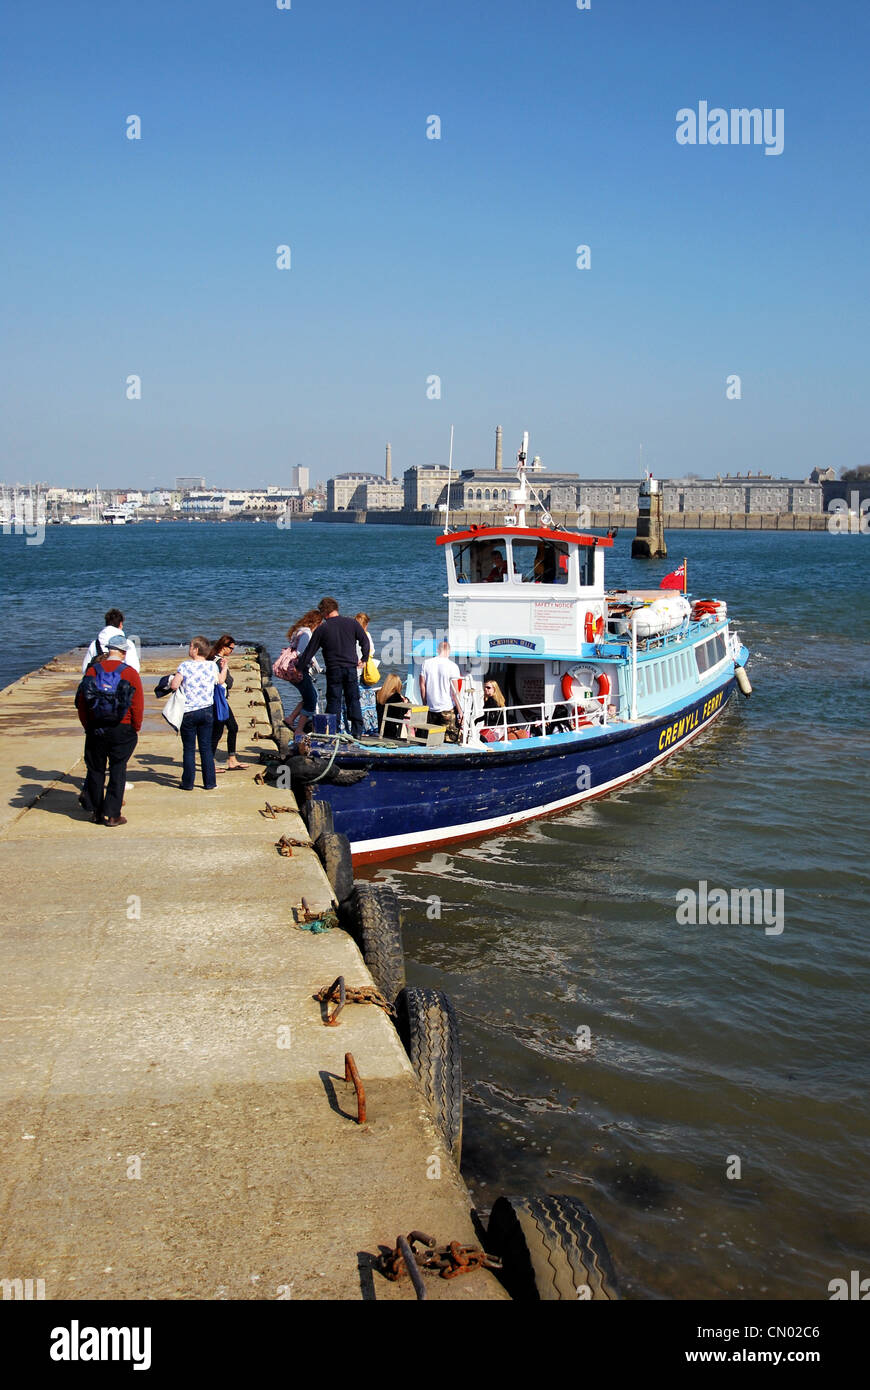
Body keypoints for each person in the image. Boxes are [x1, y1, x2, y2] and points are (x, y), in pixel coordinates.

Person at [76, 631, 144, 825]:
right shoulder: (129, 672)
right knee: (117, 768)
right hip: (122, 727)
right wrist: (135, 726)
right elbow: (137, 704)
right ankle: (112, 814)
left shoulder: (93, 670)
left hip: (96, 726)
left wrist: (87, 725)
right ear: (123, 652)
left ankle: (96, 812)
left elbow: (82, 702)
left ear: (109, 650)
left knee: (96, 769)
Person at [296, 598, 369, 739]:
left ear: (325, 612)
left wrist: (299, 667)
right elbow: (364, 641)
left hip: (334, 669)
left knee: (334, 700)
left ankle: (333, 731)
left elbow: (310, 651)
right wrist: (364, 659)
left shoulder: (323, 628)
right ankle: (357, 731)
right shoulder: (352, 623)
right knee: (353, 699)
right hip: (350, 668)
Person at [169, 636, 227, 790]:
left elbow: (175, 685)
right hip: (207, 711)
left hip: (188, 711)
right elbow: (220, 681)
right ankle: (209, 782)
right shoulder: (211, 666)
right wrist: (225, 667)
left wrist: (170, 681)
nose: (189, 649)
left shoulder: (185, 666)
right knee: (206, 748)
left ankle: (188, 783)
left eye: (190, 646)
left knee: (188, 748)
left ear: (195, 649)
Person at [282, 609, 323, 734]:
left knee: (307, 696)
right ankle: (299, 729)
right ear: (317, 623)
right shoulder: (306, 633)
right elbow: (303, 653)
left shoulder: (299, 631)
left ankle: (290, 718)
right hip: (299, 669)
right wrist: (316, 666)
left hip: (293, 668)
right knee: (312, 698)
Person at [209, 634, 243, 771]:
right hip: (218, 701)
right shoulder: (218, 661)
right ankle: (210, 762)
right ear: (223, 647)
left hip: (219, 700)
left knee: (230, 727)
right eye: (231, 648)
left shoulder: (213, 659)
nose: (232, 651)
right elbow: (226, 681)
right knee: (218, 731)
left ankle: (231, 759)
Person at [420, 641, 462, 741]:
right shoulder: (453, 666)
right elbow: (455, 692)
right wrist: (460, 711)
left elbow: (422, 686)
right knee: (449, 739)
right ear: (449, 651)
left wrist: (425, 703)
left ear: (438, 650)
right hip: (446, 708)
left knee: (431, 739)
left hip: (431, 707)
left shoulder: (426, 663)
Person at [82, 607, 140, 674]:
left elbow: (85, 670)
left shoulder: (95, 644)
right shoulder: (127, 643)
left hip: (99, 682)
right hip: (120, 682)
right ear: (120, 624)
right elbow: (135, 670)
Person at [376, 673, 412, 739]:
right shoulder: (396, 697)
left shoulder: (378, 694)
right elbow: (399, 714)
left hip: (379, 726)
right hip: (390, 729)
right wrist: (405, 704)